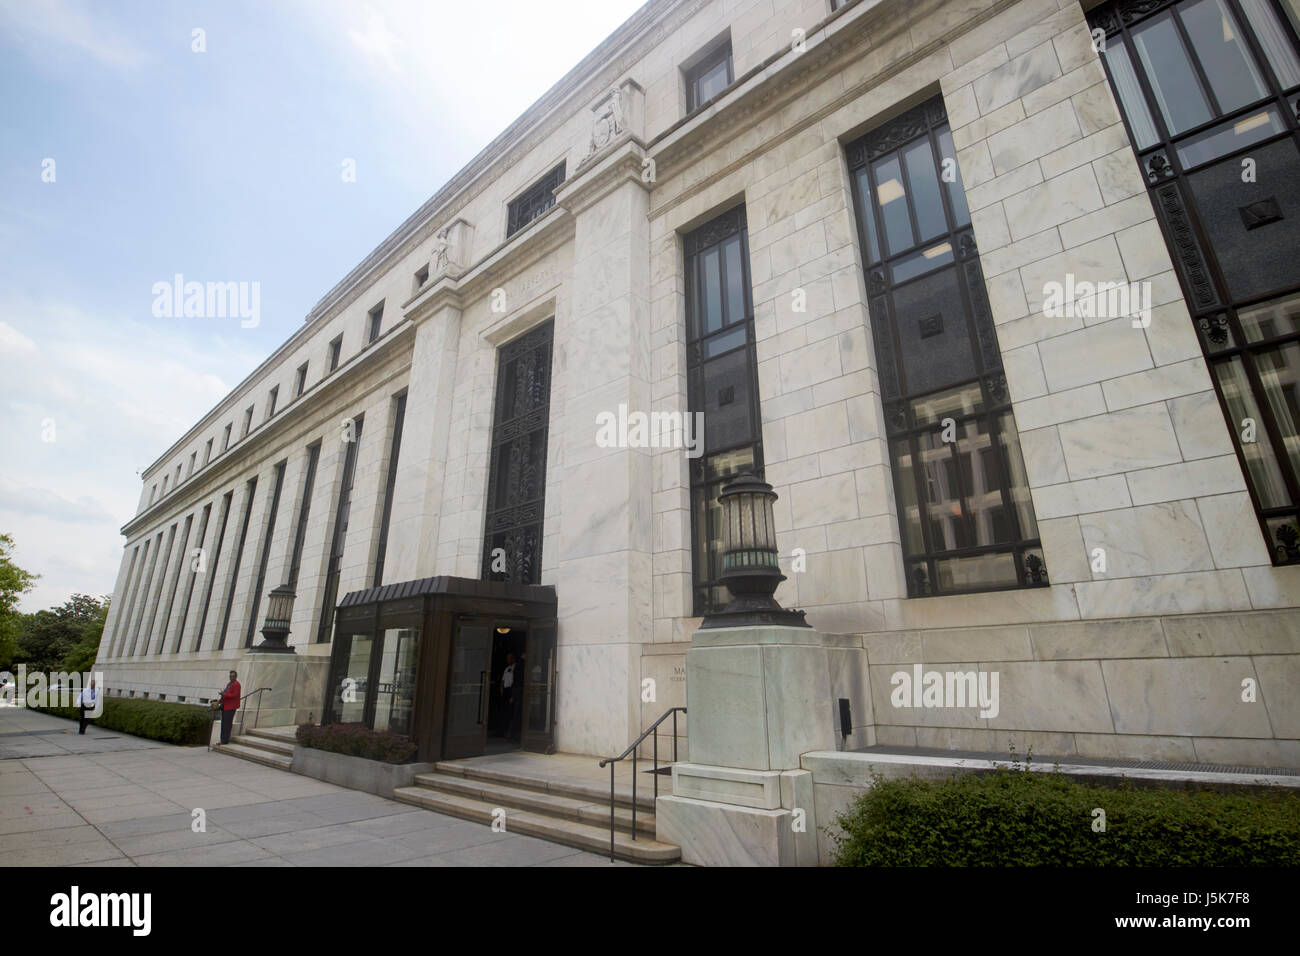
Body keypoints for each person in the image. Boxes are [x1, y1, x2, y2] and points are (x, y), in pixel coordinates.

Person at [217, 670, 241, 745]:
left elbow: (234, 695)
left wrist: (223, 694)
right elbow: (226, 694)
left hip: (231, 707)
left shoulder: (237, 684)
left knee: (227, 724)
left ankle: (225, 740)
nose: (231, 677)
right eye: (230, 676)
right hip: (225, 706)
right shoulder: (229, 684)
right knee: (223, 724)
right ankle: (222, 739)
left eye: (233, 676)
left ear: (236, 676)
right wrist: (219, 701)